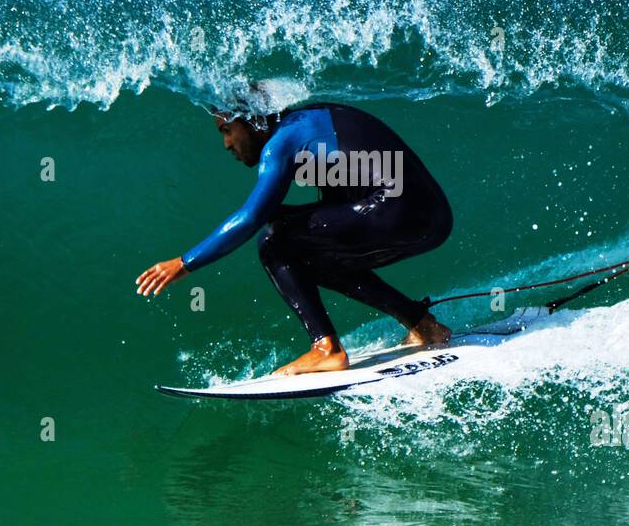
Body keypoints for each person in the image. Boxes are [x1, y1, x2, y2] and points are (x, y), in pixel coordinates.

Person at [136, 100, 453, 376]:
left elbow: (250, 218)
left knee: (274, 243)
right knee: (305, 248)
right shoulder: (315, 124)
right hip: (431, 218)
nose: (227, 144)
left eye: (226, 130)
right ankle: (422, 325)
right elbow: (348, 200)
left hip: (396, 212)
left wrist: (184, 263)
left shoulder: (283, 141)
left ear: (252, 121)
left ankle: (326, 348)